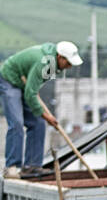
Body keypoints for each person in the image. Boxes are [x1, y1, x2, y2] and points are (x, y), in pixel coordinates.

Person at [0, 41, 80, 178]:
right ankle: (11, 167)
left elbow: (32, 89)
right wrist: (46, 115)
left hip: (24, 84)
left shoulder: (54, 65)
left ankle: (32, 166)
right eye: (68, 63)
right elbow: (30, 94)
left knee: (38, 123)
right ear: (60, 57)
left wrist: (42, 116)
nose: (70, 66)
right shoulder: (44, 63)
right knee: (17, 123)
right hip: (9, 80)